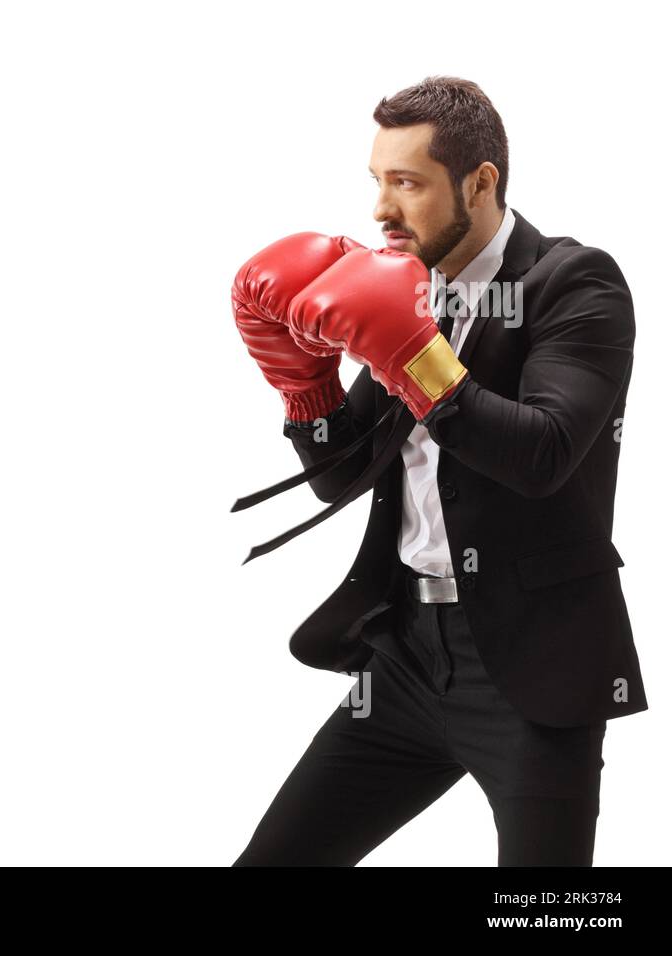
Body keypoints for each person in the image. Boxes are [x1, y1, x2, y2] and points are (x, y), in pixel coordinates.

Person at [229, 76, 646, 866]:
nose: (382, 210)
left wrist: (412, 354)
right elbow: (339, 476)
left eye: (408, 183)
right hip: (408, 658)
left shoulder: (573, 283)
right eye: (377, 182)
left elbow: (544, 454)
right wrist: (304, 388)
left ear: (480, 182)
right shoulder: (413, 288)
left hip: (531, 670)